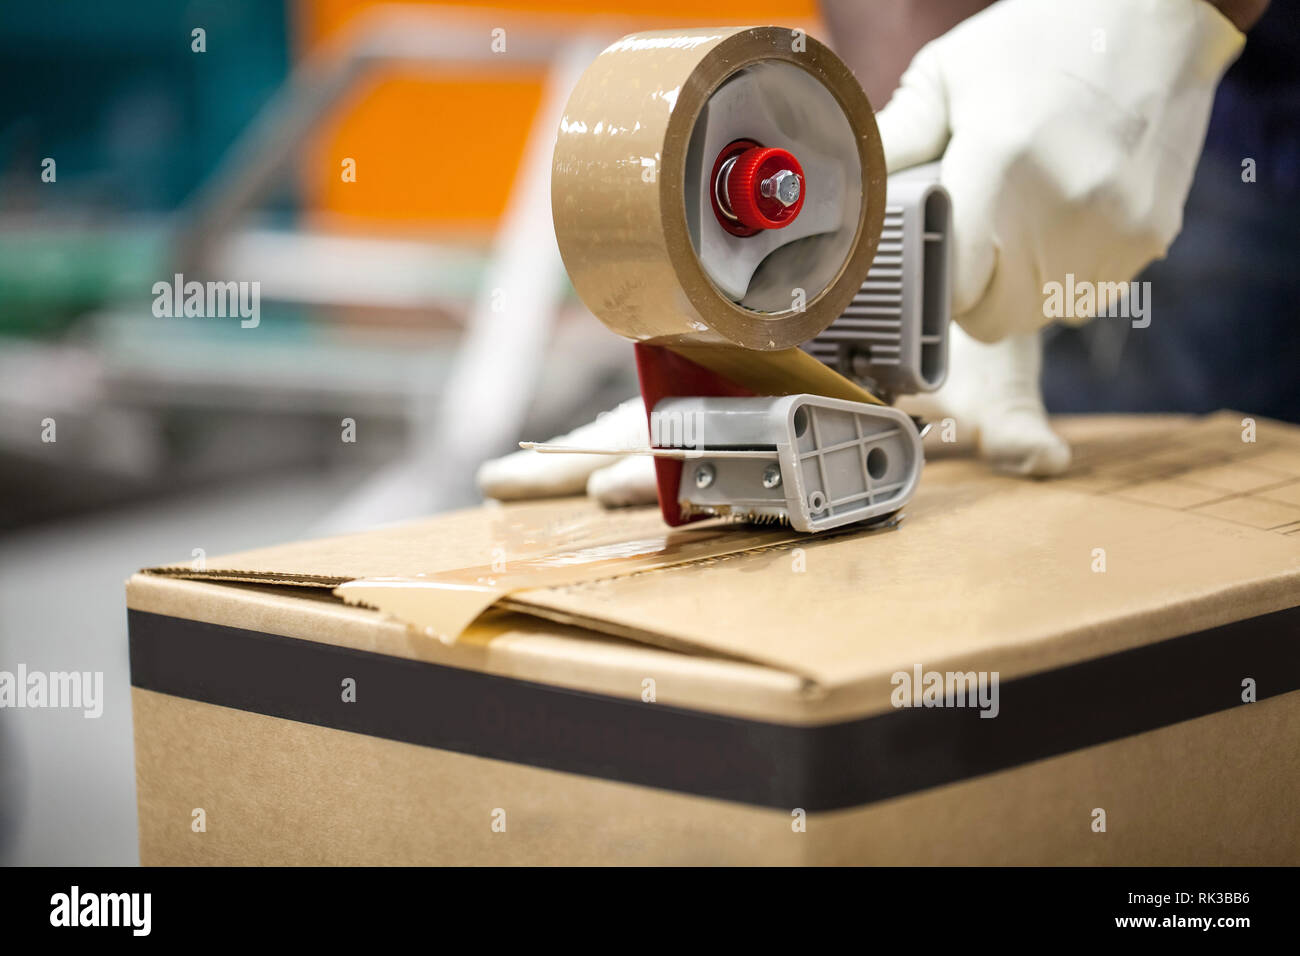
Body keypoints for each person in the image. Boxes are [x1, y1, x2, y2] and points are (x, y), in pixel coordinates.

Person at [478, 0, 1269, 505]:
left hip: (1254, 94)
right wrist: (877, 251)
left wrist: (1169, 19)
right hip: (1018, 67)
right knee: (1040, 507)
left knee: (1232, 478)